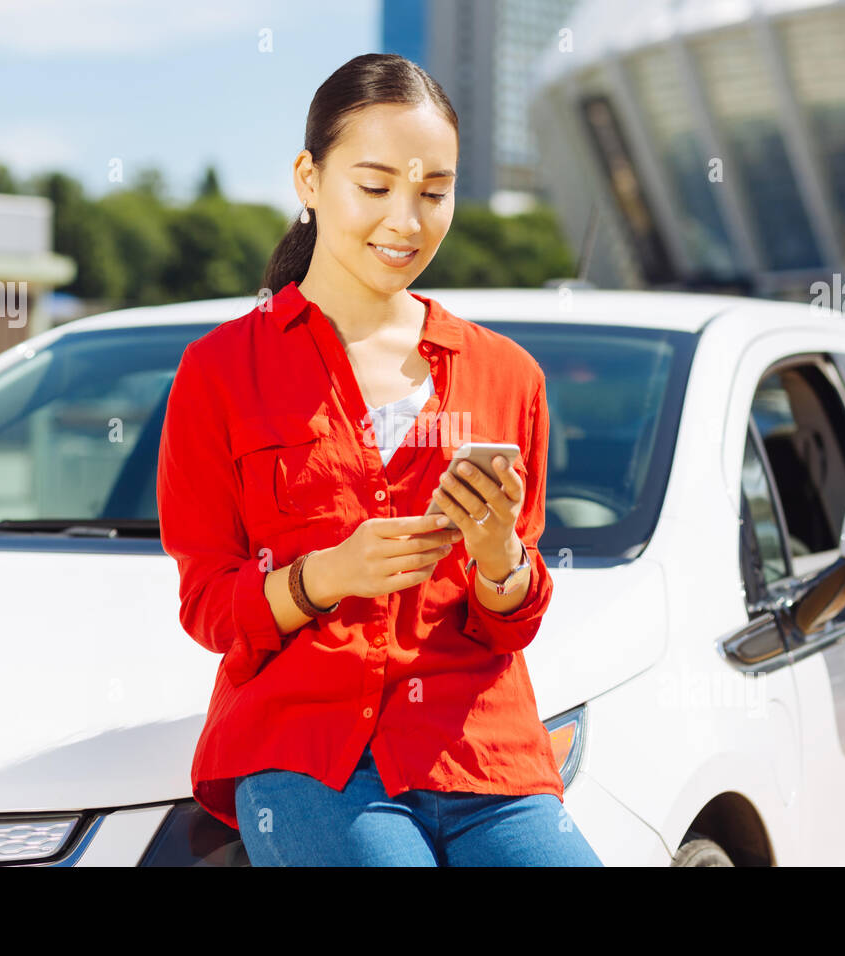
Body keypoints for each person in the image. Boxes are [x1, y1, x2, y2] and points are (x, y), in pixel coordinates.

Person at [156, 52, 601, 866]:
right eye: (376, 185)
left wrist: (499, 555)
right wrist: (326, 576)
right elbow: (209, 606)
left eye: (435, 192)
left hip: (482, 754)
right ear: (309, 178)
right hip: (307, 753)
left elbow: (515, 618)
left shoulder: (508, 376)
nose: (407, 220)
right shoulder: (219, 373)